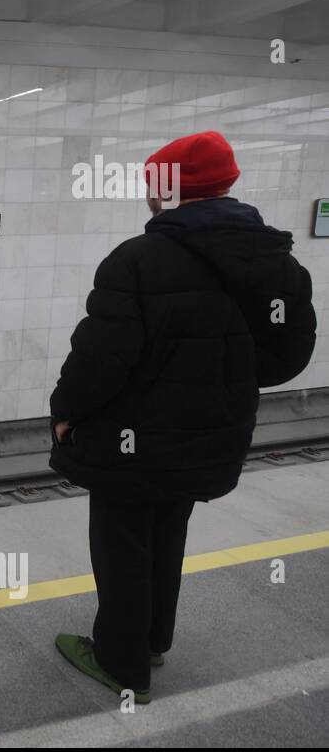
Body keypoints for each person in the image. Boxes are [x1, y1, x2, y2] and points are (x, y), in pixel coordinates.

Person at [49, 130, 317, 704]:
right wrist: (218, 387)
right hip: (210, 436)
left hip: (130, 440)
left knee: (123, 545)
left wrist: (66, 413)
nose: (147, 193)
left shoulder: (138, 260)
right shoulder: (277, 261)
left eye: (152, 183)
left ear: (168, 189)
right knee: (169, 533)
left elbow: (100, 359)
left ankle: (121, 666)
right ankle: (151, 641)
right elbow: (288, 354)